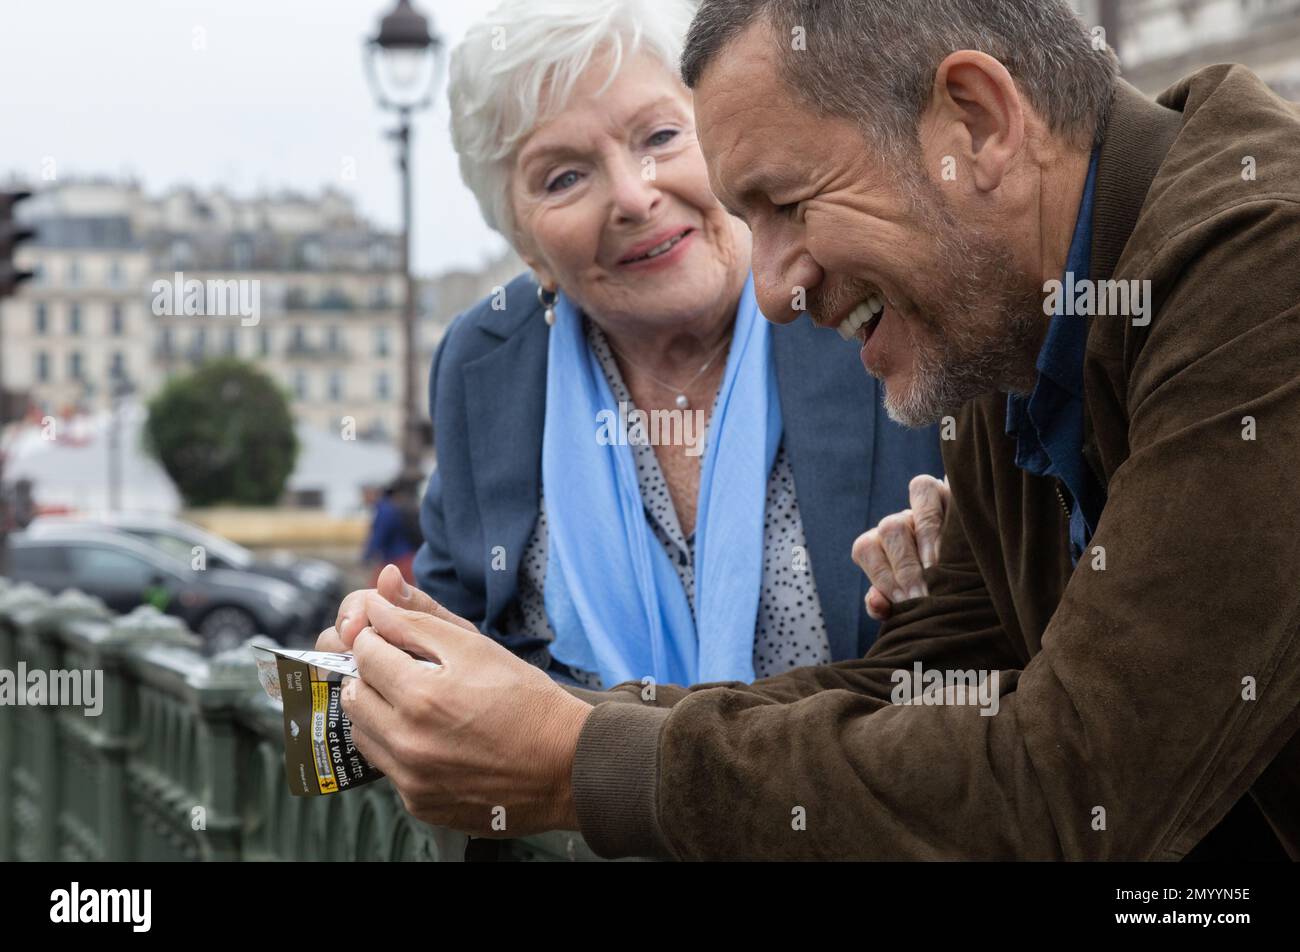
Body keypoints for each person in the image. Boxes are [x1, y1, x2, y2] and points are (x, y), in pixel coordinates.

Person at [326, 0, 1300, 860]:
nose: (772, 288)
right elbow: (918, 685)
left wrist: (572, 762)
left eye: (788, 205)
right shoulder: (1018, 307)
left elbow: (1073, 788)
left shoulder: (1266, 272)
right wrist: (535, 725)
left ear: (979, 120)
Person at [349, 0, 943, 692]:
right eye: (564, 177)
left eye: (661, 136)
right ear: (526, 247)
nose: (634, 196)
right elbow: (461, 650)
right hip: (576, 806)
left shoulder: (862, 290)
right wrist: (380, 669)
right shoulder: (485, 365)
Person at [360, 481, 420, 587]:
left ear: (372, 493)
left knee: (378, 592)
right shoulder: (389, 507)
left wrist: (366, 556)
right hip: (405, 557)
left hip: (398, 559)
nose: (363, 499)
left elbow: (379, 536)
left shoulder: (384, 510)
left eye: (364, 495)